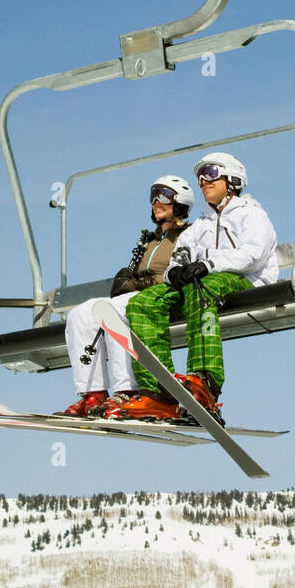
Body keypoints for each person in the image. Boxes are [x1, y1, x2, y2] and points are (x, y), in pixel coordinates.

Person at [101, 151, 277, 423]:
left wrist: (208, 264)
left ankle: (204, 381)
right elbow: (178, 257)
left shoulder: (251, 214)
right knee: (143, 303)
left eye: (210, 174)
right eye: (200, 177)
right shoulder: (202, 224)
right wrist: (175, 273)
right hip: (203, 279)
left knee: (201, 288)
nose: (203, 181)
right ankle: (160, 392)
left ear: (232, 179)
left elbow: (253, 254)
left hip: (247, 279)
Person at [59, 175, 194, 416]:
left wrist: (146, 282)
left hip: (165, 296)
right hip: (138, 296)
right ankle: (93, 394)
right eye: (153, 197)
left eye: (164, 197)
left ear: (180, 204)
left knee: (112, 314)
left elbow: (182, 271)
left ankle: (127, 391)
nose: (156, 202)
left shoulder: (190, 235)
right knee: (80, 314)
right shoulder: (150, 240)